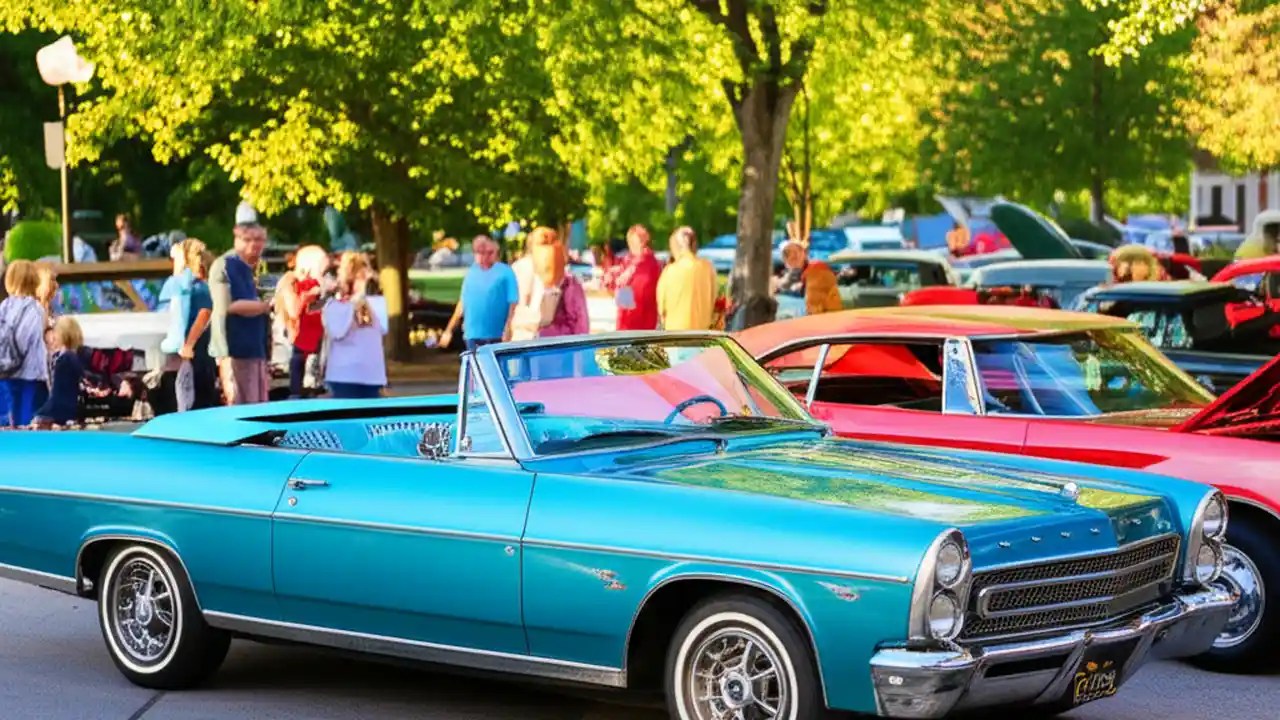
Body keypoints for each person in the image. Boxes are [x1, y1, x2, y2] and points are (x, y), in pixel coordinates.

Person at [211, 223, 272, 405]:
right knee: (240, 407)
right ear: (236, 239)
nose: (255, 245)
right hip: (235, 351)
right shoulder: (226, 265)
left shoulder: (249, 268)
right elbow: (228, 306)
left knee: (258, 408)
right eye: (248, 239)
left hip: (255, 350)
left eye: (259, 239)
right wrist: (265, 306)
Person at [323, 252, 387, 398]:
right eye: (360, 276)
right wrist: (353, 304)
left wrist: (367, 299)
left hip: (372, 374)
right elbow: (337, 331)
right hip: (345, 375)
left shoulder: (376, 303)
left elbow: (383, 327)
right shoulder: (335, 305)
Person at [441, 235, 518, 351]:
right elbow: (462, 303)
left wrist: (509, 327)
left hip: (496, 334)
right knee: (475, 368)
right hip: (472, 335)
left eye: (488, 252)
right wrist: (449, 330)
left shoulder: (506, 272)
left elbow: (513, 302)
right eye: (479, 252)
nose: (484, 256)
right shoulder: (471, 273)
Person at [511, 226, 589, 339]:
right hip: (556, 345)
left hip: (521, 342)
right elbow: (581, 321)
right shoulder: (568, 280)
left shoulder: (516, 269)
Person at [274, 245, 330, 398]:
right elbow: (293, 310)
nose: (323, 276)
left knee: (310, 369)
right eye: (322, 271)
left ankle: (307, 389)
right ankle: (297, 393)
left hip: (312, 337)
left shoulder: (313, 285)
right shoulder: (291, 283)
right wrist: (309, 296)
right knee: (298, 367)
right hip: (296, 338)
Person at [0, 260, 50, 426]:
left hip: (5, 372)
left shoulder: (3, 307)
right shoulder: (35, 309)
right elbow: (33, 337)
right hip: (30, 374)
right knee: (28, 423)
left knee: (8, 422)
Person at [656, 226, 719, 330]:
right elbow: (714, 299)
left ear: (676, 246)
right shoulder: (708, 268)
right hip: (702, 335)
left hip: (675, 336)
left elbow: (662, 309)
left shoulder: (669, 271)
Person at [602, 224, 661, 330]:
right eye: (630, 243)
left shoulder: (646, 264)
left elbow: (630, 296)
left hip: (636, 325)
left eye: (635, 242)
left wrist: (615, 285)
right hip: (633, 323)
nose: (632, 246)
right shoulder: (629, 262)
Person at [32, 316, 85, 428]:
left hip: (61, 414)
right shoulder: (77, 356)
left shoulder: (64, 359)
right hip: (73, 410)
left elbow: (58, 395)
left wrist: (40, 414)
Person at [775, 239, 841, 316]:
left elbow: (815, 307)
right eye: (787, 253)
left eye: (797, 251)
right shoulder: (807, 272)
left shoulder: (816, 269)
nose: (793, 255)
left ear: (804, 253)